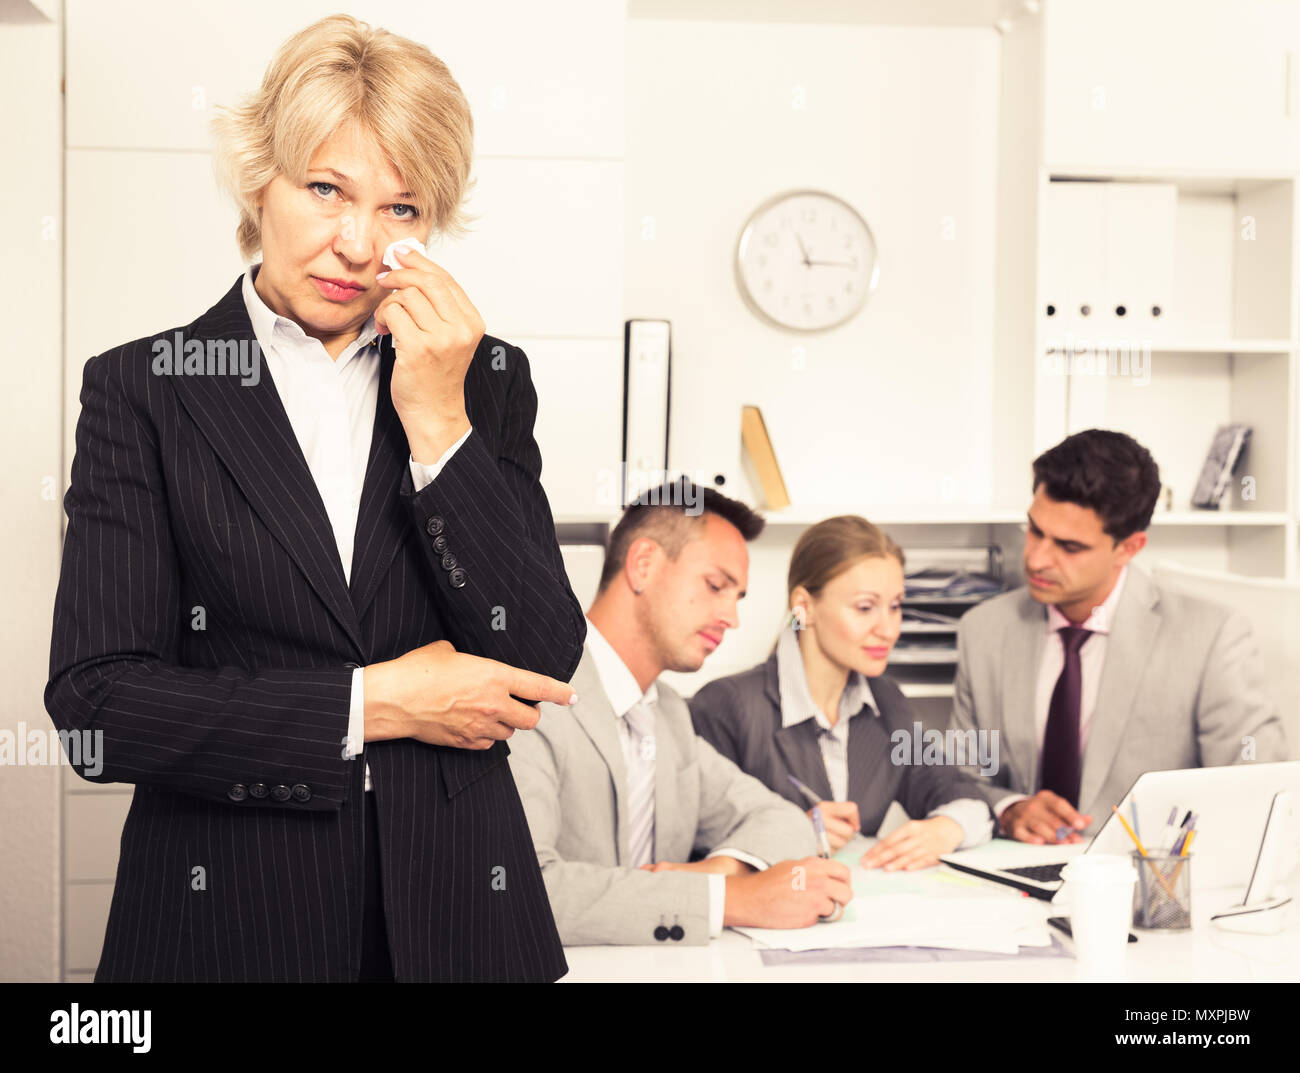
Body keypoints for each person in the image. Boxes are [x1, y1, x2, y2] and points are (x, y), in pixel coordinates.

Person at [43, 15, 585, 982]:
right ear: (260, 179)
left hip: (461, 928)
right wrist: (371, 703)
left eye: (402, 210)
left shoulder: (485, 376)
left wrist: (439, 422)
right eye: (326, 188)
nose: (357, 243)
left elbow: (539, 657)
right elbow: (97, 707)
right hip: (226, 926)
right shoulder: (144, 389)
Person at [507, 479, 853, 945]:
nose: (732, 618)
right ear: (643, 564)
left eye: (737, 596)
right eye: (715, 586)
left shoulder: (668, 714)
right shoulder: (530, 692)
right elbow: (523, 891)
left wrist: (717, 872)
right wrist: (734, 898)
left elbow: (785, 818)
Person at [950, 428, 1287, 845]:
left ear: (1129, 548)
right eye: (1035, 531)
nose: (1036, 559)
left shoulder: (1211, 637)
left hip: (1151, 885)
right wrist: (1010, 808)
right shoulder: (984, 629)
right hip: (1011, 874)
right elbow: (958, 776)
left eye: (1069, 547)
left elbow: (1255, 791)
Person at [690, 515, 994, 873]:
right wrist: (794, 832)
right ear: (803, 607)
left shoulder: (885, 700)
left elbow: (957, 790)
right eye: (865, 607)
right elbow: (693, 845)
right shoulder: (727, 705)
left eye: (895, 606)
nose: (888, 629)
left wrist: (946, 829)